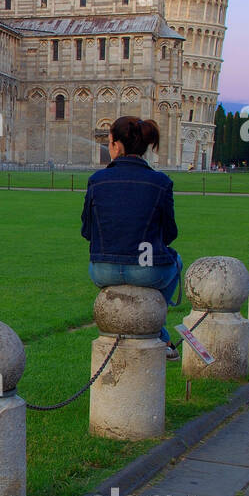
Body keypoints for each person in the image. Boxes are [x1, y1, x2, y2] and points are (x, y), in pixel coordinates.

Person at [81, 116, 182, 359]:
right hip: (146, 271)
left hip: (101, 270)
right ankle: (157, 323)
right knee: (176, 261)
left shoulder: (97, 180)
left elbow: (86, 231)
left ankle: (159, 330)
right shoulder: (161, 181)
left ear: (115, 145)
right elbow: (170, 234)